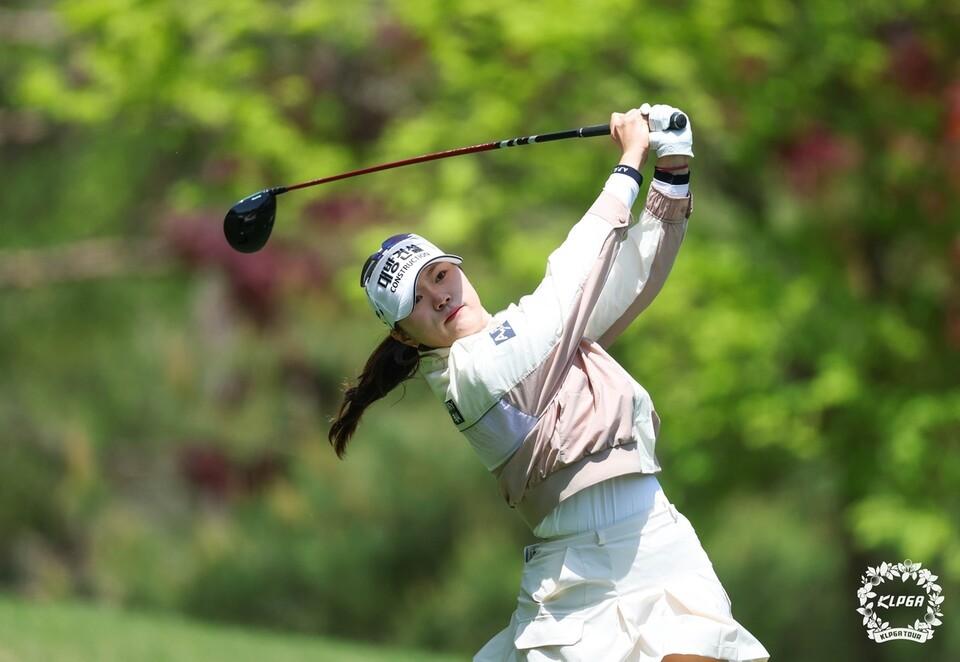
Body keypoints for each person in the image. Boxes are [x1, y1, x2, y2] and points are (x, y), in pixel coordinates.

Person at [329, 105, 770, 662]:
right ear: (406, 338)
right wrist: (630, 161)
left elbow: (630, 274)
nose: (439, 296)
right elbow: (574, 275)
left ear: (458, 269)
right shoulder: (471, 378)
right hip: (573, 579)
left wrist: (673, 167)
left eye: (439, 275)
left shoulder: (548, 334)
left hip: (658, 536)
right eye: (416, 301)